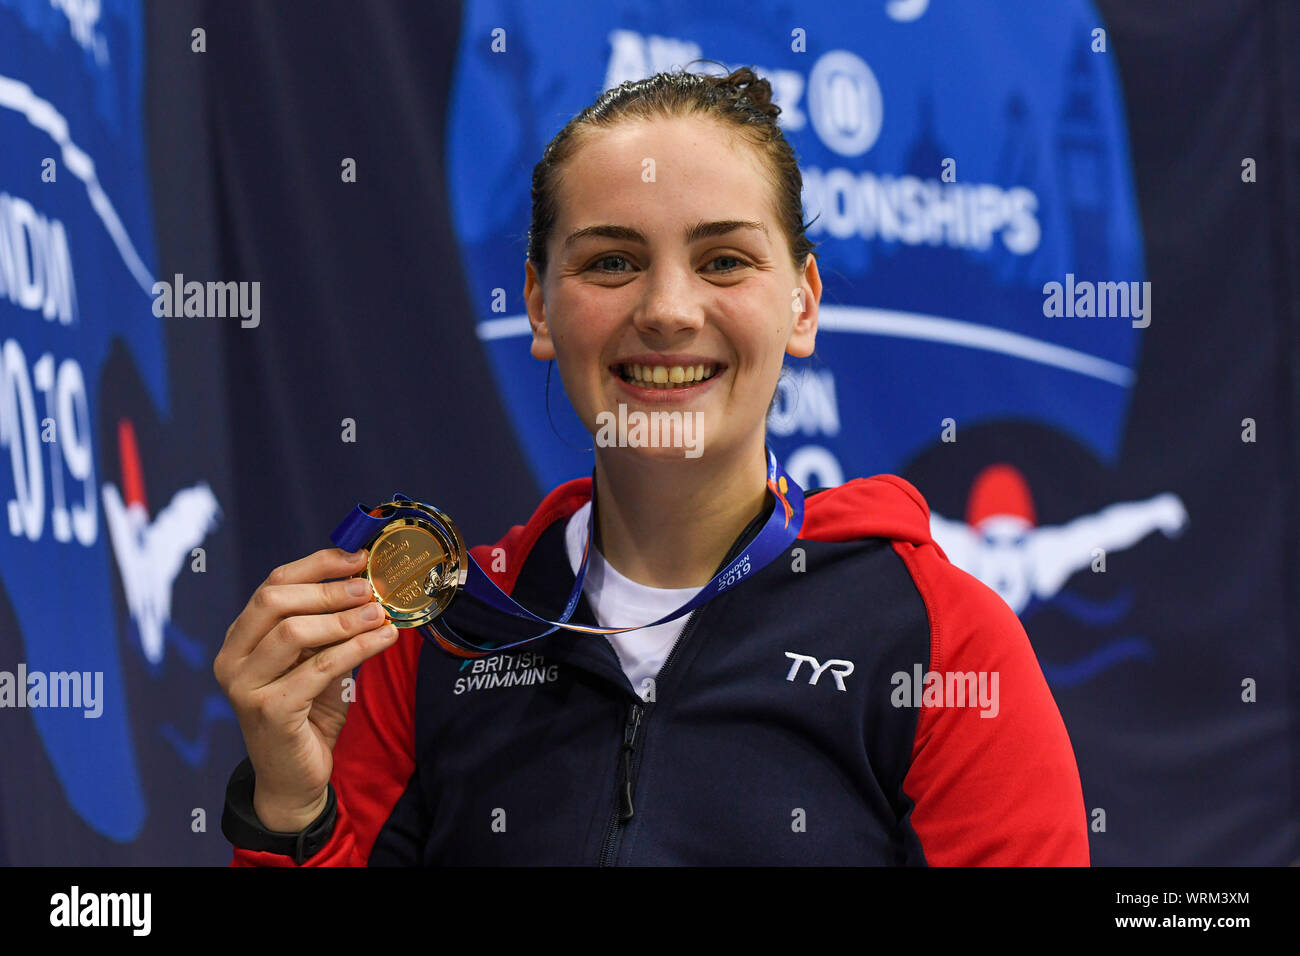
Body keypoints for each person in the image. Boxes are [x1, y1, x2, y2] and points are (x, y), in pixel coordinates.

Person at [215, 65, 1089, 866]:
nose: (669, 310)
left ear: (803, 304)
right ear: (540, 306)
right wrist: (289, 808)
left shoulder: (940, 641)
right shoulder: (444, 639)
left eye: (724, 262)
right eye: (612, 263)